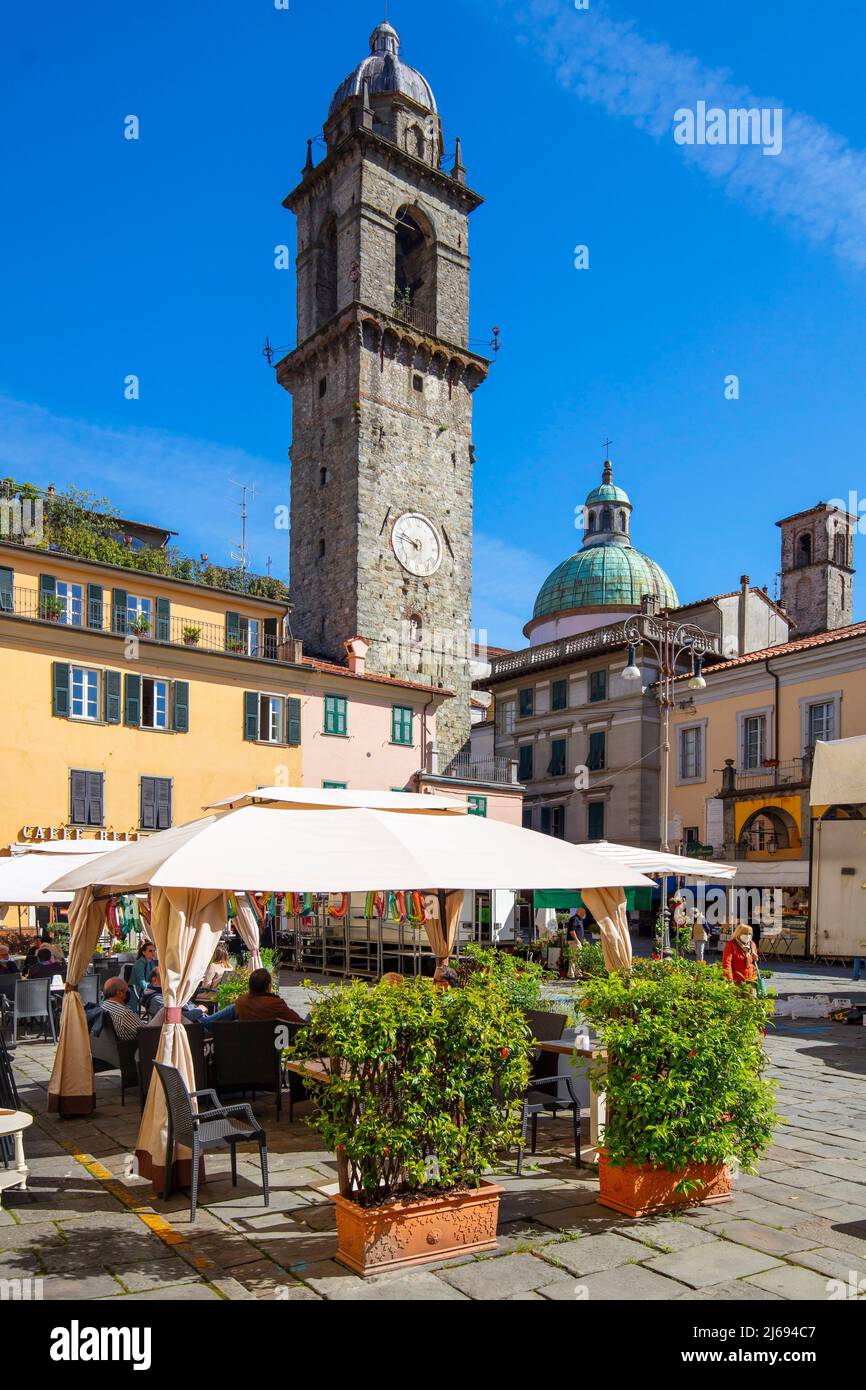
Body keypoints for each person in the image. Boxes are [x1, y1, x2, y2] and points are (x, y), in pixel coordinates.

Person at [205, 968, 304, 1027]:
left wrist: (198, 1011)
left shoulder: (241, 1004)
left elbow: (209, 1022)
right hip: (271, 1053)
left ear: (250, 986)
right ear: (269, 987)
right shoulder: (277, 1005)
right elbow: (301, 1024)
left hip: (246, 1053)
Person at [99, 977, 142, 1041]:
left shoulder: (102, 1006)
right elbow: (146, 1032)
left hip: (111, 1047)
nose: (128, 992)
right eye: (127, 990)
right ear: (119, 993)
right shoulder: (124, 1013)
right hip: (134, 1047)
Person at [128, 942, 157, 1011]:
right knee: (157, 999)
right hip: (137, 991)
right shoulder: (139, 964)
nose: (153, 953)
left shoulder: (152, 963)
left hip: (147, 990)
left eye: (154, 950)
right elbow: (142, 983)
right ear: (144, 952)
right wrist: (154, 989)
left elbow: (154, 979)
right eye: (150, 951)